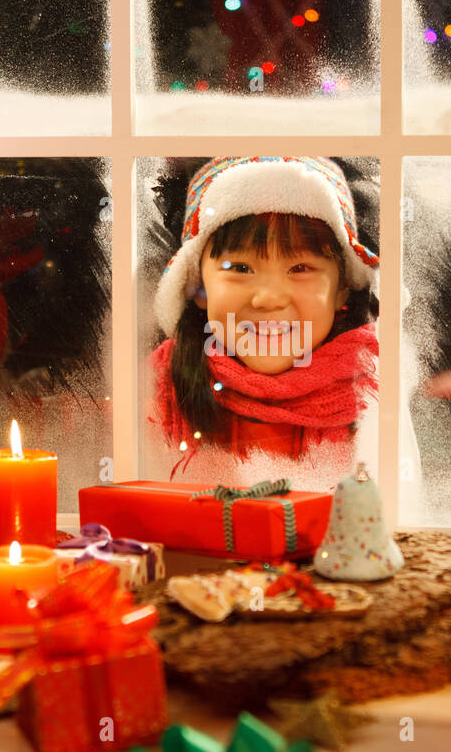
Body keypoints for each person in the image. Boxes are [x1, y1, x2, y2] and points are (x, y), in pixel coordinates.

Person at [144, 153, 421, 498]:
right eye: (240, 268)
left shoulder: (371, 387)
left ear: (342, 289)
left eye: (300, 269)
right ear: (198, 287)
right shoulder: (161, 387)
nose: (269, 298)